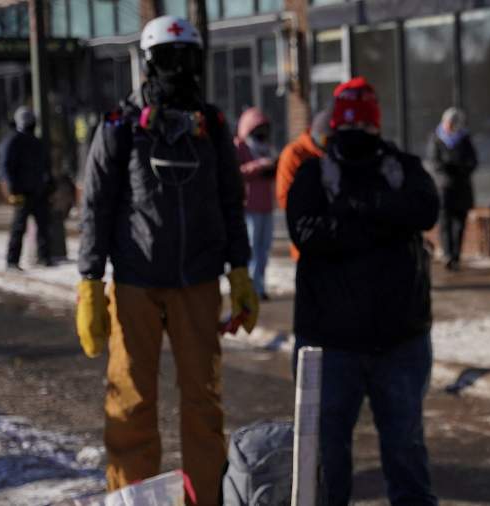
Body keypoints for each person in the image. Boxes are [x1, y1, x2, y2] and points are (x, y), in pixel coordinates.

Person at [75, 16, 258, 504]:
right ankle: (133, 498)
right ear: (147, 63)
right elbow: (95, 205)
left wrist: (240, 269)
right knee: (132, 401)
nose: (178, 70)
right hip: (136, 281)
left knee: (204, 402)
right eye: (167, 59)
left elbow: (229, 199)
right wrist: (90, 280)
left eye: (187, 59)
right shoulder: (119, 126)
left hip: (197, 280)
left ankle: (206, 498)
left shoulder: (213, 126)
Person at [286, 77, 439, 506]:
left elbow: (425, 209)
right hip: (329, 344)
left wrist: (356, 212)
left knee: (405, 451)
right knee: (325, 458)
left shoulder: (401, 167)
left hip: (400, 341)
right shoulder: (314, 172)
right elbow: (305, 230)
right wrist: (381, 224)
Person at [0, 106, 53, 270]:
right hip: (22, 190)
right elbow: (6, 166)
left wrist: (48, 183)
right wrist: (12, 188)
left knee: (43, 225)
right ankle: (12, 260)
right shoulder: (13, 141)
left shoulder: (35, 142)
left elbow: (44, 164)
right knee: (18, 227)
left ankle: (44, 257)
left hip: (37, 190)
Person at [276, 109, 331, 261]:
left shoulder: (335, 155)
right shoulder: (294, 154)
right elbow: (285, 199)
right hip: (308, 246)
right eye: (327, 141)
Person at [427, 107, 478, 270]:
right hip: (443, 188)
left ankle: (455, 255)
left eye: (453, 123)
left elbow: (473, 161)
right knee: (445, 222)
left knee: (459, 223)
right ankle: (447, 254)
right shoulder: (436, 138)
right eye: (448, 123)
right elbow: (434, 163)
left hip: (461, 188)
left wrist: (460, 169)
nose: (450, 126)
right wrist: (449, 169)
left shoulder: (464, 139)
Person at [235, 107, 278, 300]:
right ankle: (250, 287)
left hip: (267, 207)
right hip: (250, 207)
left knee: (264, 248)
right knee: (252, 248)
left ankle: (259, 285)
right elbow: (235, 173)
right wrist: (257, 167)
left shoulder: (268, 148)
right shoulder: (241, 147)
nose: (261, 134)